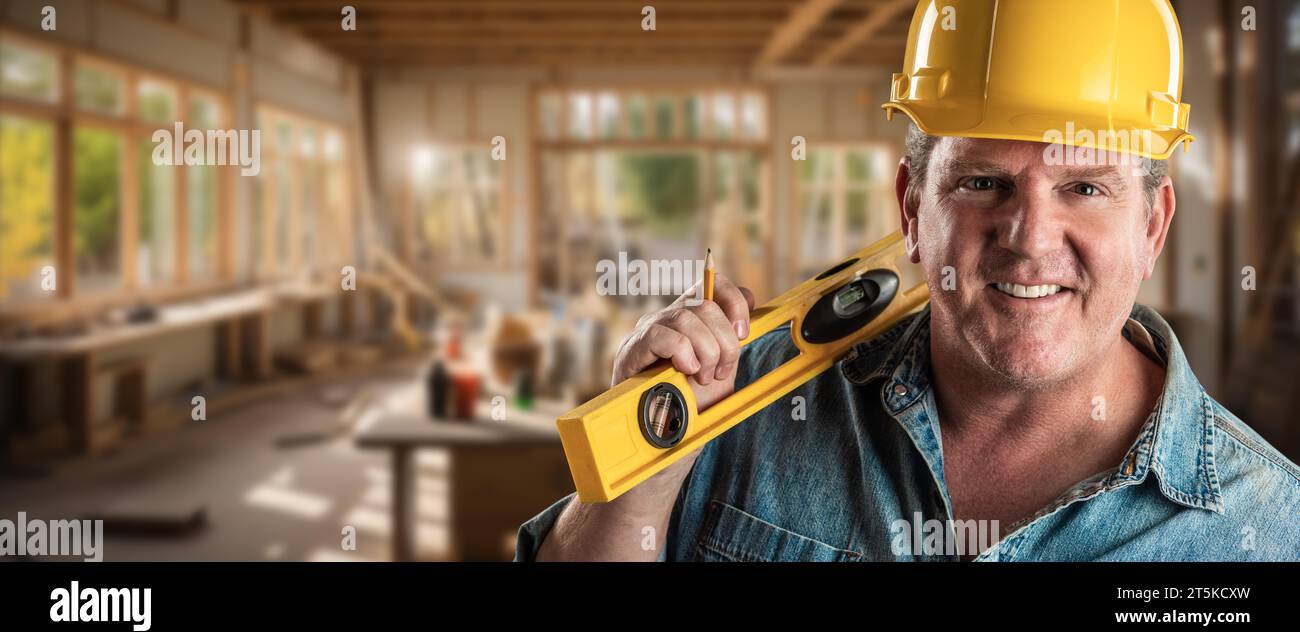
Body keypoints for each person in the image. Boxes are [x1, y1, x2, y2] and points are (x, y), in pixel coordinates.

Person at [516, 0, 1300, 561]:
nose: (1028, 240)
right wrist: (636, 495)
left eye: (1084, 187)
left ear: (1153, 224)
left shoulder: (1268, 527)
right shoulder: (733, 406)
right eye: (983, 182)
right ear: (911, 210)